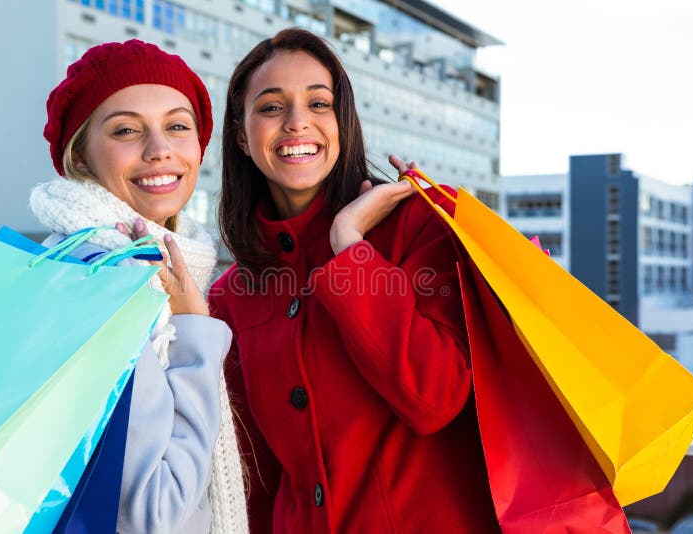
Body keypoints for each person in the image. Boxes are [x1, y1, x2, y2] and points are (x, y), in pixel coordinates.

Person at [209, 28, 500, 533]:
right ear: (241, 135)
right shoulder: (231, 296)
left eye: (318, 103)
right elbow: (253, 481)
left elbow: (435, 400)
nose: (298, 122)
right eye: (272, 107)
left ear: (341, 122)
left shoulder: (418, 229)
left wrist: (350, 244)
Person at [29, 39, 248, 533]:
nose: (159, 149)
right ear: (80, 157)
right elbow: (157, 510)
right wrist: (193, 330)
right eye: (127, 130)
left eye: (177, 126)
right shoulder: (106, 278)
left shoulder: (124, 261)